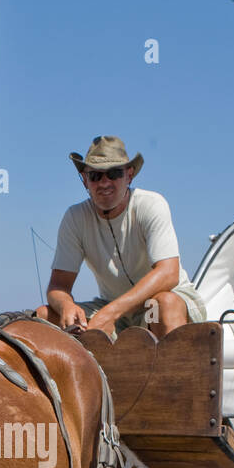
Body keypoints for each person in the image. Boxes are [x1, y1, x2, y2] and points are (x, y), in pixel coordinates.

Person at [40, 135, 207, 338]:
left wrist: (111, 313)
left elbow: (168, 273)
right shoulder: (75, 217)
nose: (104, 182)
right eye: (95, 176)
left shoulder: (151, 204)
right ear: (84, 179)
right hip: (113, 310)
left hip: (156, 310)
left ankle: (175, 370)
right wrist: (66, 305)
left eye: (113, 173)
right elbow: (58, 286)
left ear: (129, 175)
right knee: (44, 316)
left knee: (163, 304)